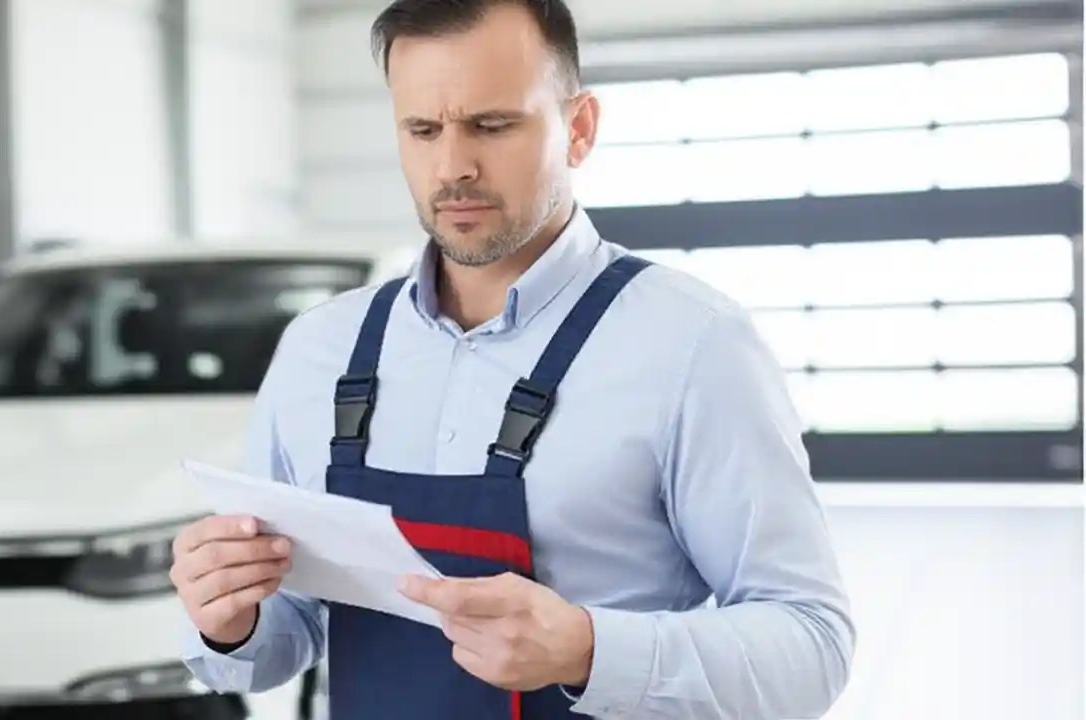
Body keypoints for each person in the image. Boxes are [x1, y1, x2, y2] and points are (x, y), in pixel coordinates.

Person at [169, 1, 855, 717]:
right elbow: (284, 640)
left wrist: (590, 650)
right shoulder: (319, 350)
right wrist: (229, 620)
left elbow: (812, 647)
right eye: (423, 129)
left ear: (579, 129)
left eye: (492, 126)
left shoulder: (694, 344)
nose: (453, 166)